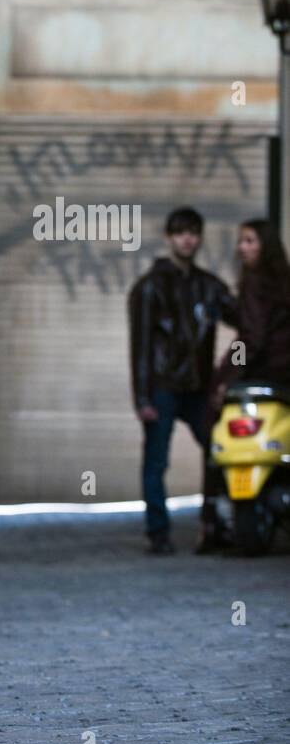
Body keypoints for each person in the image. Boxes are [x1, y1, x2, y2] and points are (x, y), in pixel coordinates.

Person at [128, 206, 236, 555]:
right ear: (168, 238)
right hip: (161, 386)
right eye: (181, 232)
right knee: (157, 461)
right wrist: (142, 399)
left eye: (193, 232)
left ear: (199, 237)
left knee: (219, 449)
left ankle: (213, 523)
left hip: (197, 388)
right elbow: (141, 346)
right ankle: (157, 533)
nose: (188, 239)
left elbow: (243, 316)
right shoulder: (149, 288)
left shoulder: (208, 286)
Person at [208, 217, 290, 450]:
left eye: (249, 241)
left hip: (262, 372)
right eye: (240, 241)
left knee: (216, 431)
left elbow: (250, 339)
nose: (241, 247)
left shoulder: (255, 282)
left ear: (265, 245)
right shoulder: (282, 281)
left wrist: (229, 375)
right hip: (283, 375)